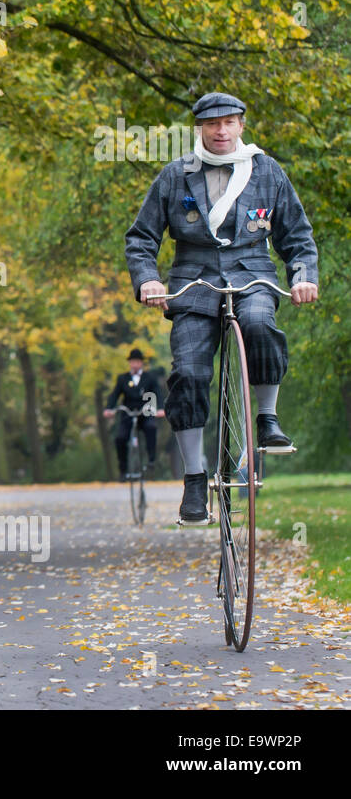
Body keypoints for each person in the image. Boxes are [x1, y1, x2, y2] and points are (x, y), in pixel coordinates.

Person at [125, 92, 319, 524]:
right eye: (212, 124)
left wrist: (303, 275)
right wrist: (148, 279)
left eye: (229, 122)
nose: (221, 131)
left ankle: (266, 419)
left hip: (253, 274)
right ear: (200, 128)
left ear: (241, 125)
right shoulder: (176, 175)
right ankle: (195, 480)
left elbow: (297, 236)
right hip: (192, 284)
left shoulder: (266, 170)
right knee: (189, 371)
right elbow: (140, 238)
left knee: (258, 321)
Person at [102, 348, 165, 476]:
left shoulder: (150, 378)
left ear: (141, 363)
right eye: (132, 362)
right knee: (120, 438)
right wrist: (109, 408)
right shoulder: (122, 379)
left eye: (137, 361)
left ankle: (151, 460)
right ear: (130, 363)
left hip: (145, 412)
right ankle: (123, 469)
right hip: (128, 412)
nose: (135, 364)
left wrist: (159, 408)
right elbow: (115, 395)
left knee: (151, 428)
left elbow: (157, 393)